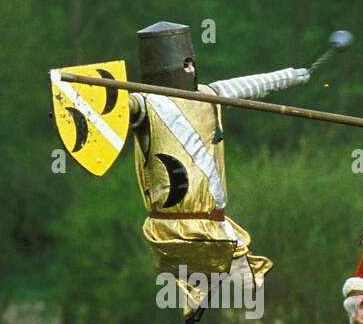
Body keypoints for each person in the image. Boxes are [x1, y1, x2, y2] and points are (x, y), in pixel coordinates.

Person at [131, 21, 313, 302]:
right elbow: (116, 109)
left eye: (192, 64)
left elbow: (254, 84)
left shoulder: (211, 95)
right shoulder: (144, 104)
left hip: (214, 222)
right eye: (186, 65)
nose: (191, 70)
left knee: (247, 286)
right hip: (171, 227)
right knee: (196, 293)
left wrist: (295, 75)